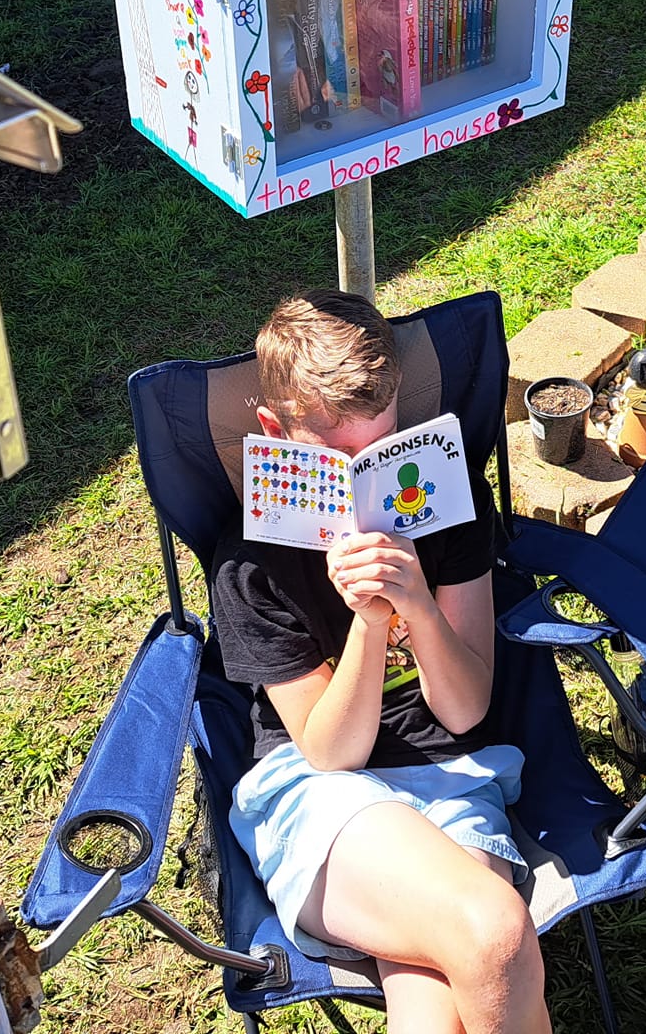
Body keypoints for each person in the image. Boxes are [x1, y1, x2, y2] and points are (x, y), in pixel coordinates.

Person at [210, 290, 546, 1034]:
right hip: (320, 792)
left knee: (432, 1006)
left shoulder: (444, 504)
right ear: (275, 430)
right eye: (340, 460)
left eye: (381, 449)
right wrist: (369, 621)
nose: (367, 480)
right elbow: (332, 753)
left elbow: (464, 709)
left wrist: (419, 606)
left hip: (449, 775)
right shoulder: (251, 564)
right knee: (494, 935)